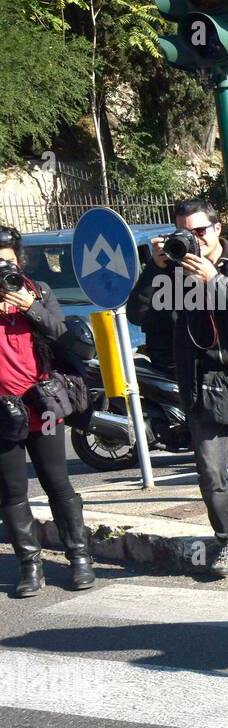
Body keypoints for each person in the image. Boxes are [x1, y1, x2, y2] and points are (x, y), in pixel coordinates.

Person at [129, 198, 228, 578]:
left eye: (200, 231)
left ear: (217, 229)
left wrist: (214, 281)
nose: (194, 239)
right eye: (185, 232)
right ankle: (227, 542)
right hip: (203, 383)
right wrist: (155, 268)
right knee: (211, 474)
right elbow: (139, 314)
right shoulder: (173, 272)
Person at [0, 225, 95, 597]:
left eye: (6, 261)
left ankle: (80, 557)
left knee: (58, 482)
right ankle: (30, 565)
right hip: (2, 411)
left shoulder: (38, 291)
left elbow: (64, 334)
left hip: (42, 405)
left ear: (18, 262)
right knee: (11, 491)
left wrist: (30, 308)